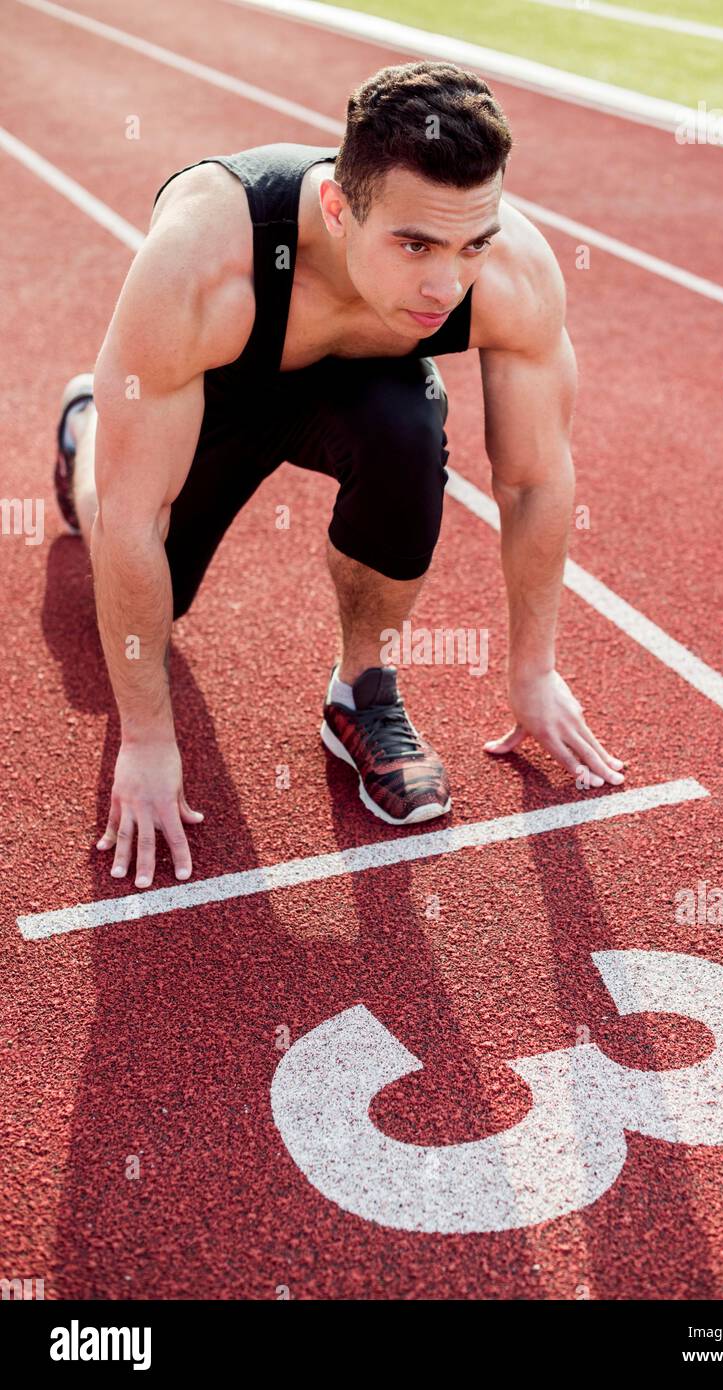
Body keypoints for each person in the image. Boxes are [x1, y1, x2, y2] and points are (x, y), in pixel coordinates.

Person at [54, 61, 625, 891]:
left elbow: (533, 481)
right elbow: (134, 521)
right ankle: (84, 427)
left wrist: (532, 670)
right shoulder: (203, 266)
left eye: (473, 243)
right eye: (415, 244)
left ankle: (362, 691)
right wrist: (146, 739)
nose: (446, 283)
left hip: (358, 388)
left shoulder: (508, 276)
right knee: (136, 555)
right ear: (336, 207)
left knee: (407, 435)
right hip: (219, 381)